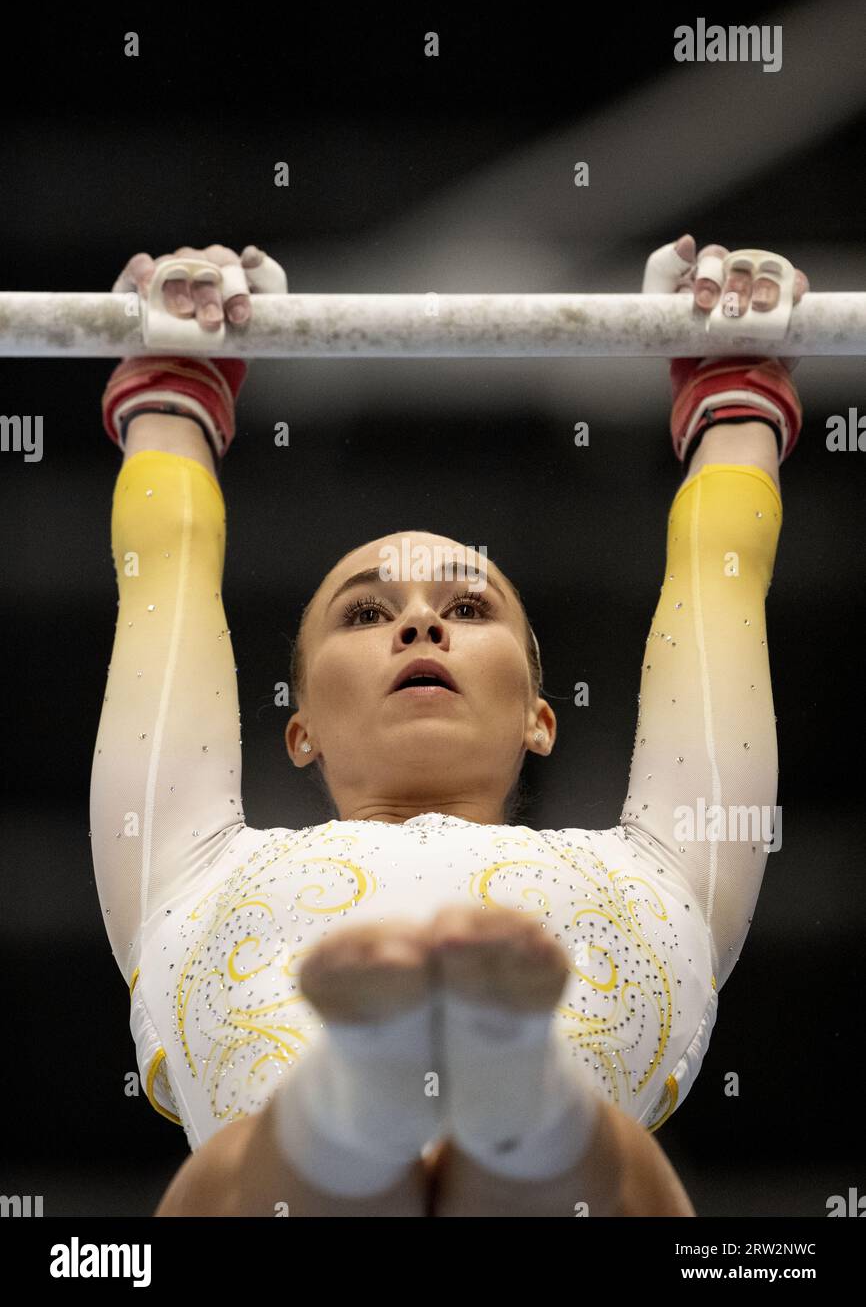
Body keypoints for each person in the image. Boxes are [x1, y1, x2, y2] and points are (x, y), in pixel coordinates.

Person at [89, 235, 807, 1216]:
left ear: (538, 718)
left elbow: (720, 582)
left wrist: (173, 389)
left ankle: (455, 1088)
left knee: (606, 1166)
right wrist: (736, 388)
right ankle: (436, 1086)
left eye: (468, 610)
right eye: (364, 612)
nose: (420, 619)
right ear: (298, 730)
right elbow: (162, 583)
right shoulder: (188, 869)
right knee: (252, 1165)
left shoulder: (656, 869)